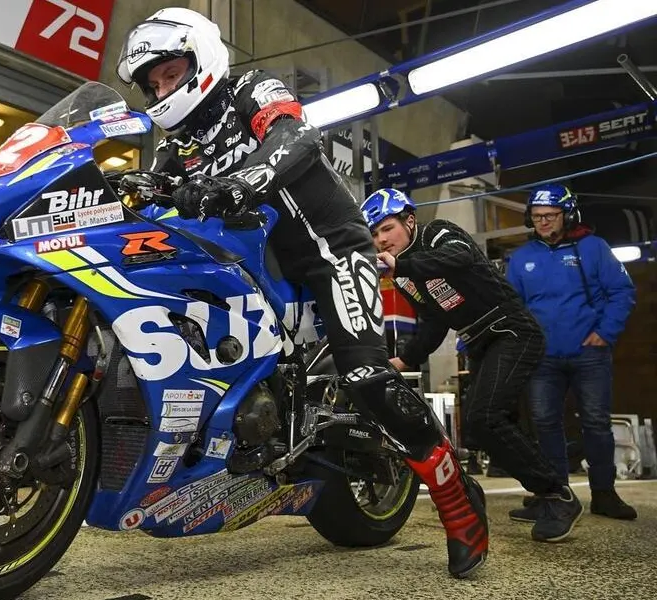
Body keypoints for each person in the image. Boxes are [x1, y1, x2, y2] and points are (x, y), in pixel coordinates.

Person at [118, 8, 488, 578]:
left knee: (366, 377)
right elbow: (162, 203)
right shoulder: (176, 145)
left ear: (199, 58)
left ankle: (456, 497)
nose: (164, 88)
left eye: (171, 72)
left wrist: (242, 181)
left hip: (332, 252)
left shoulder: (250, 89)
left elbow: (295, 135)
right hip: (256, 267)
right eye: (155, 83)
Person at [362, 187, 585, 542]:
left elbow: (460, 259)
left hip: (513, 330)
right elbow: (434, 321)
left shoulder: (438, 234)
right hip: (481, 341)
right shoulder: (404, 275)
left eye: (386, 228)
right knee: (481, 428)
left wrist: (401, 265)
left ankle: (558, 496)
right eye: (374, 234)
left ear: (409, 220)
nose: (381, 239)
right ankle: (544, 492)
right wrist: (406, 359)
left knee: (485, 417)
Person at [507, 184, 637, 520]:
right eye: (537, 217)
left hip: (589, 354)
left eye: (550, 215)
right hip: (542, 359)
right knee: (545, 424)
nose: (544, 222)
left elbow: (622, 292)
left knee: (595, 423)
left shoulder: (593, 248)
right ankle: (556, 496)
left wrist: (605, 333)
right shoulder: (521, 259)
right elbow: (512, 307)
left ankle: (604, 494)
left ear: (567, 215)